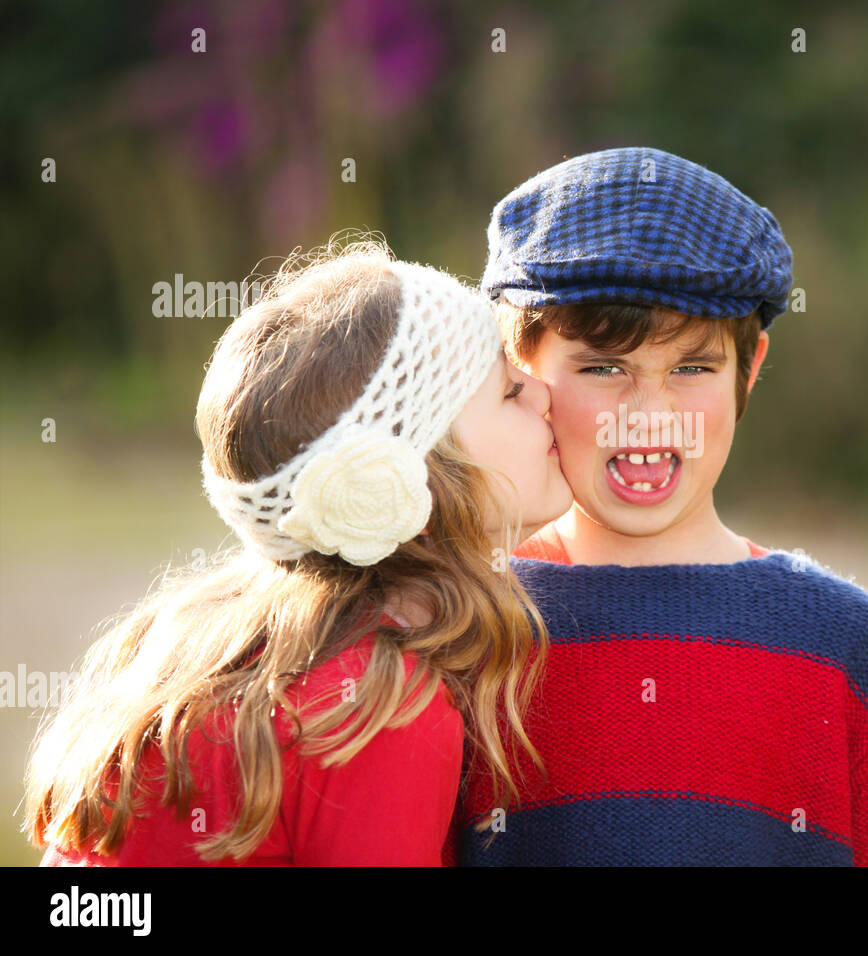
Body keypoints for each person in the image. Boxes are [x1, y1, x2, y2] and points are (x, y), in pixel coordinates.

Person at [442, 147, 868, 865]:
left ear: (752, 369)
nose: (649, 415)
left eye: (692, 368)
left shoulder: (840, 644)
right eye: (604, 368)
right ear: (520, 370)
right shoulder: (465, 623)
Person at [24, 237, 572, 865]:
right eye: (508, 389)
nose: (543, 390)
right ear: (411, 477)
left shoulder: (201, 646)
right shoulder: (376, 709)